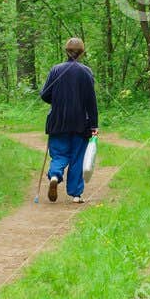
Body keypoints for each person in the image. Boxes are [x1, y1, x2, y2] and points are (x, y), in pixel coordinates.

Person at [40, 37, 99, 203]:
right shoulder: (86, 72)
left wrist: (58, 101)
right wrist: (94, 125)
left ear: (66, 51)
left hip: (57, 121)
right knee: (77, 158)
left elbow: (45, 94)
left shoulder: (56, 70)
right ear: (82, 53)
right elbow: (91, 101)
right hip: (81, 123)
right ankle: (75, 194)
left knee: (59, 154)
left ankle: (54, 176)